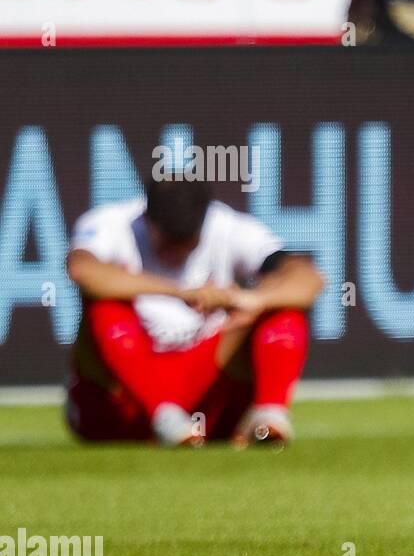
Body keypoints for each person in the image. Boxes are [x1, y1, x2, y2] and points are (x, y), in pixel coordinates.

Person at [64, 175, 323, 448]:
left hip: (201, 390)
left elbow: (309, 279)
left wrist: (253, 299)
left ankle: (270, 417)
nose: (176, 252)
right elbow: (82, 271)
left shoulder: (230, 227)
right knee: (104, 304)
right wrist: (182, 292)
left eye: (187, 241)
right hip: (120, 402)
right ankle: (164, 414)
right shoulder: (111, 222)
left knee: (280, 308)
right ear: (146, 219)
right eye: (167, 241)